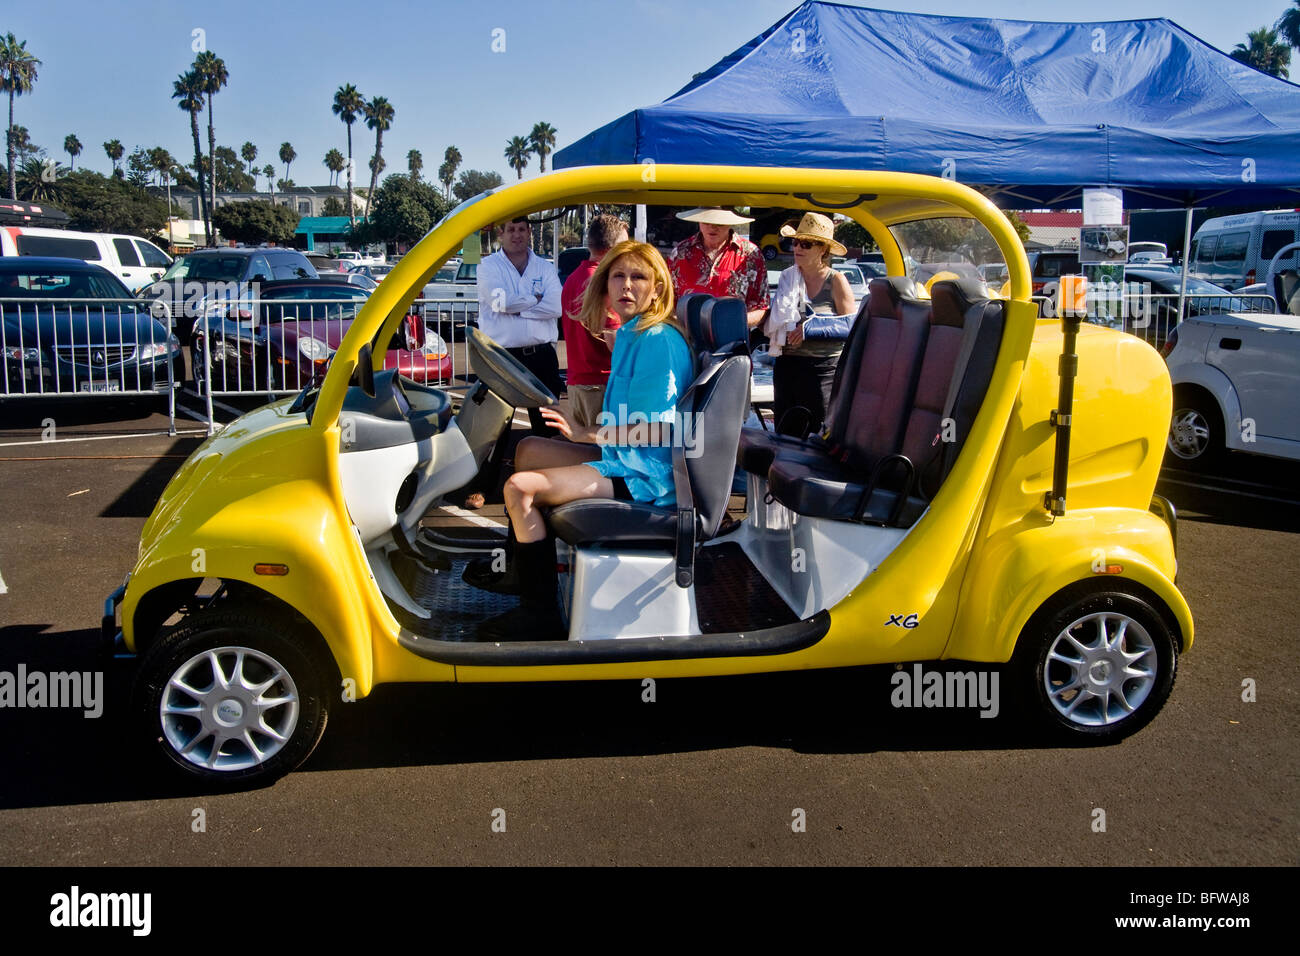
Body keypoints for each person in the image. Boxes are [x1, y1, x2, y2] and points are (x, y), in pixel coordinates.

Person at [469, 240, 695, 642]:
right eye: (618, 276)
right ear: (606, 285)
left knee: (519, 488)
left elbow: (660, 431)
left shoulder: (657, 340)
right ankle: (523, 569)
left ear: (658, 288)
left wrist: (585, 433)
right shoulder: (631, 333)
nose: (627, 285)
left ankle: (539, 615)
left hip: (647, 476)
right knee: (527, 450)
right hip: (624, 457)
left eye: (639, 277)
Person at [765, 212, 856, 435]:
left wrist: (812, 330)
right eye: (795, 242)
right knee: (785, 432)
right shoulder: (787, 277)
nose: (798, 248)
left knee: (818, 432)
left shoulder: (836, 280)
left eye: (806, 244)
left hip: (823, 369)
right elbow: (775, 319)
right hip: (787, 365)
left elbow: (852, 326)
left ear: (822, 249)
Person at [475, 216, 565, 433]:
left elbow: (556, 307)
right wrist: (536, 298)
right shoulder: (487, 266)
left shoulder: (544, 267)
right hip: (501, 357)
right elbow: (500, 301)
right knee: (496, 427)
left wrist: (517, 309)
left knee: (548, 425)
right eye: (511, 229)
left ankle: (546, 464)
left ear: (529, 233)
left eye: (522, 229)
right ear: (501, 234)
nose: (517, 235)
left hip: (542, 357)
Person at [560, 214, 629, 428]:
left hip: (578, 383)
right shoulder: (604, 284)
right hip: (601, 386)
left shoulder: (573, 278)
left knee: (583, 451)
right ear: (612, 248)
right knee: (601, 455)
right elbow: (616, 343)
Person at [668, 207, 768, 330]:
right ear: (699, 221)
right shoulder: (679, 253)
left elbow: (762, 308)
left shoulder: (751, 255)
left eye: (719, 222)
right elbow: (665, 303)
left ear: (730, 223)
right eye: (706, 221)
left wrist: (731, 323)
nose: (712, 227)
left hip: (732, 342)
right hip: (686, 341)